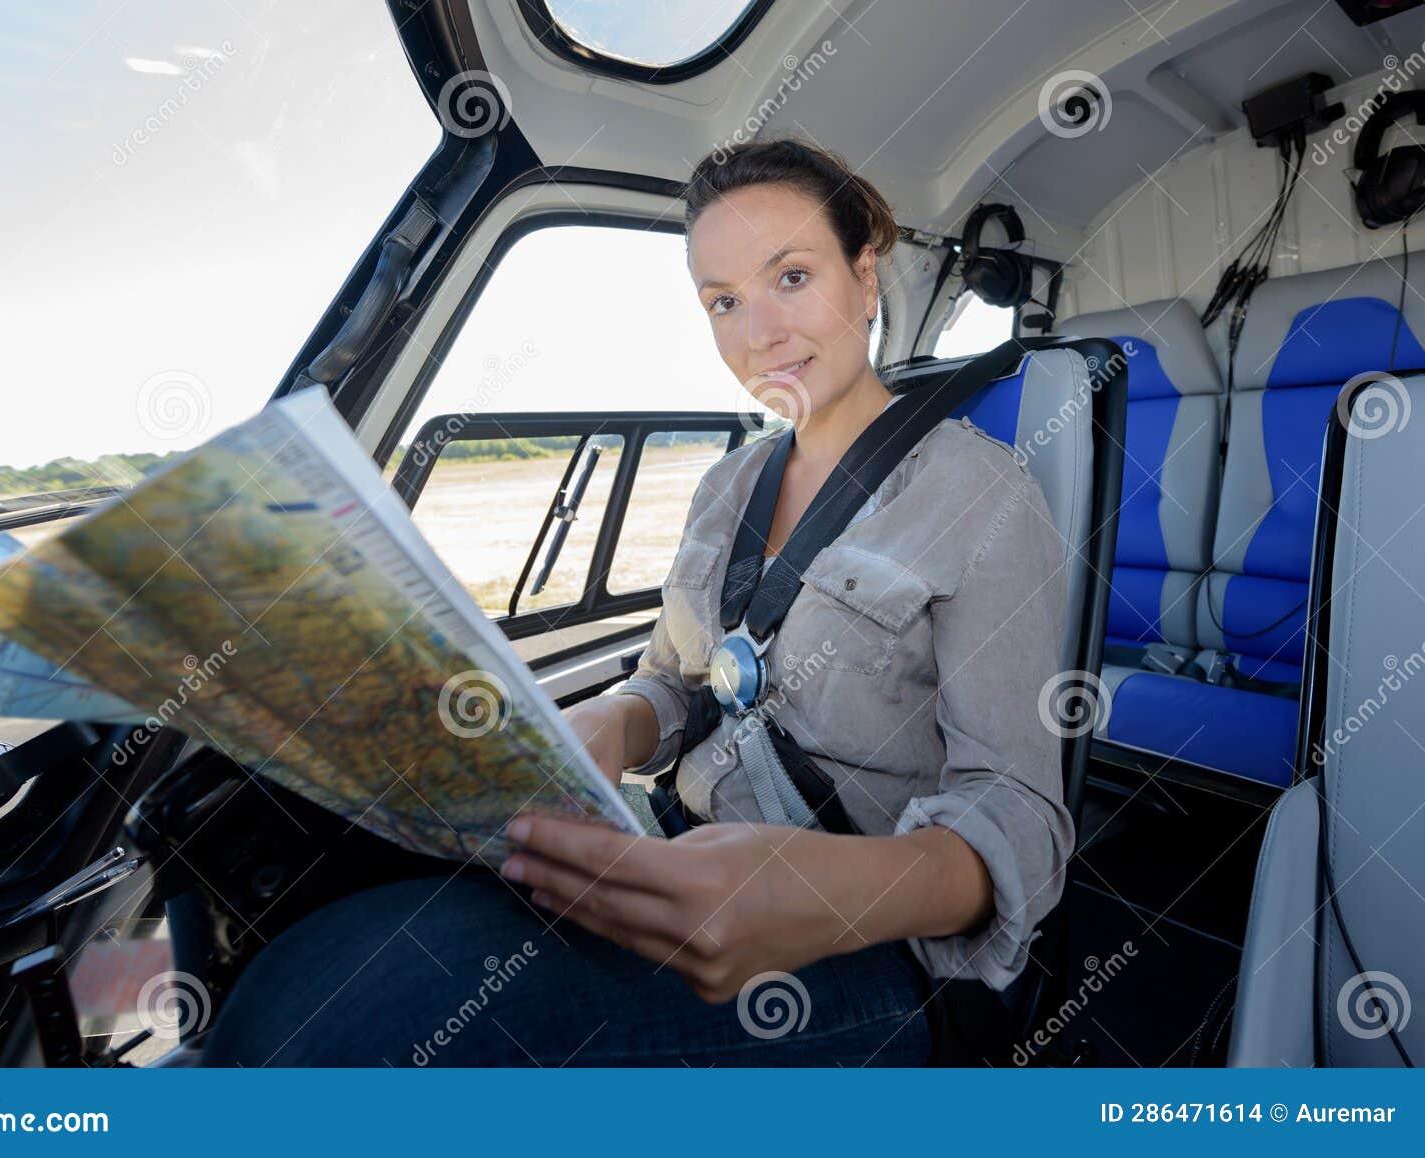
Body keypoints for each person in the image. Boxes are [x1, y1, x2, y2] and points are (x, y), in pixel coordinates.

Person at [199, 138, 1074, 1067]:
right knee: (332, 939)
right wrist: (609, 726)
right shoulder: (728, 486)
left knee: (397, 1037)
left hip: (865, 946)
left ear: (865, 277)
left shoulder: (983, 497)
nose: (758, 334)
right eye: (723, 302)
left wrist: (815, 892)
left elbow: (1020, 816)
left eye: (792, 277)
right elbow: (675, 678)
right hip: (668, 845)